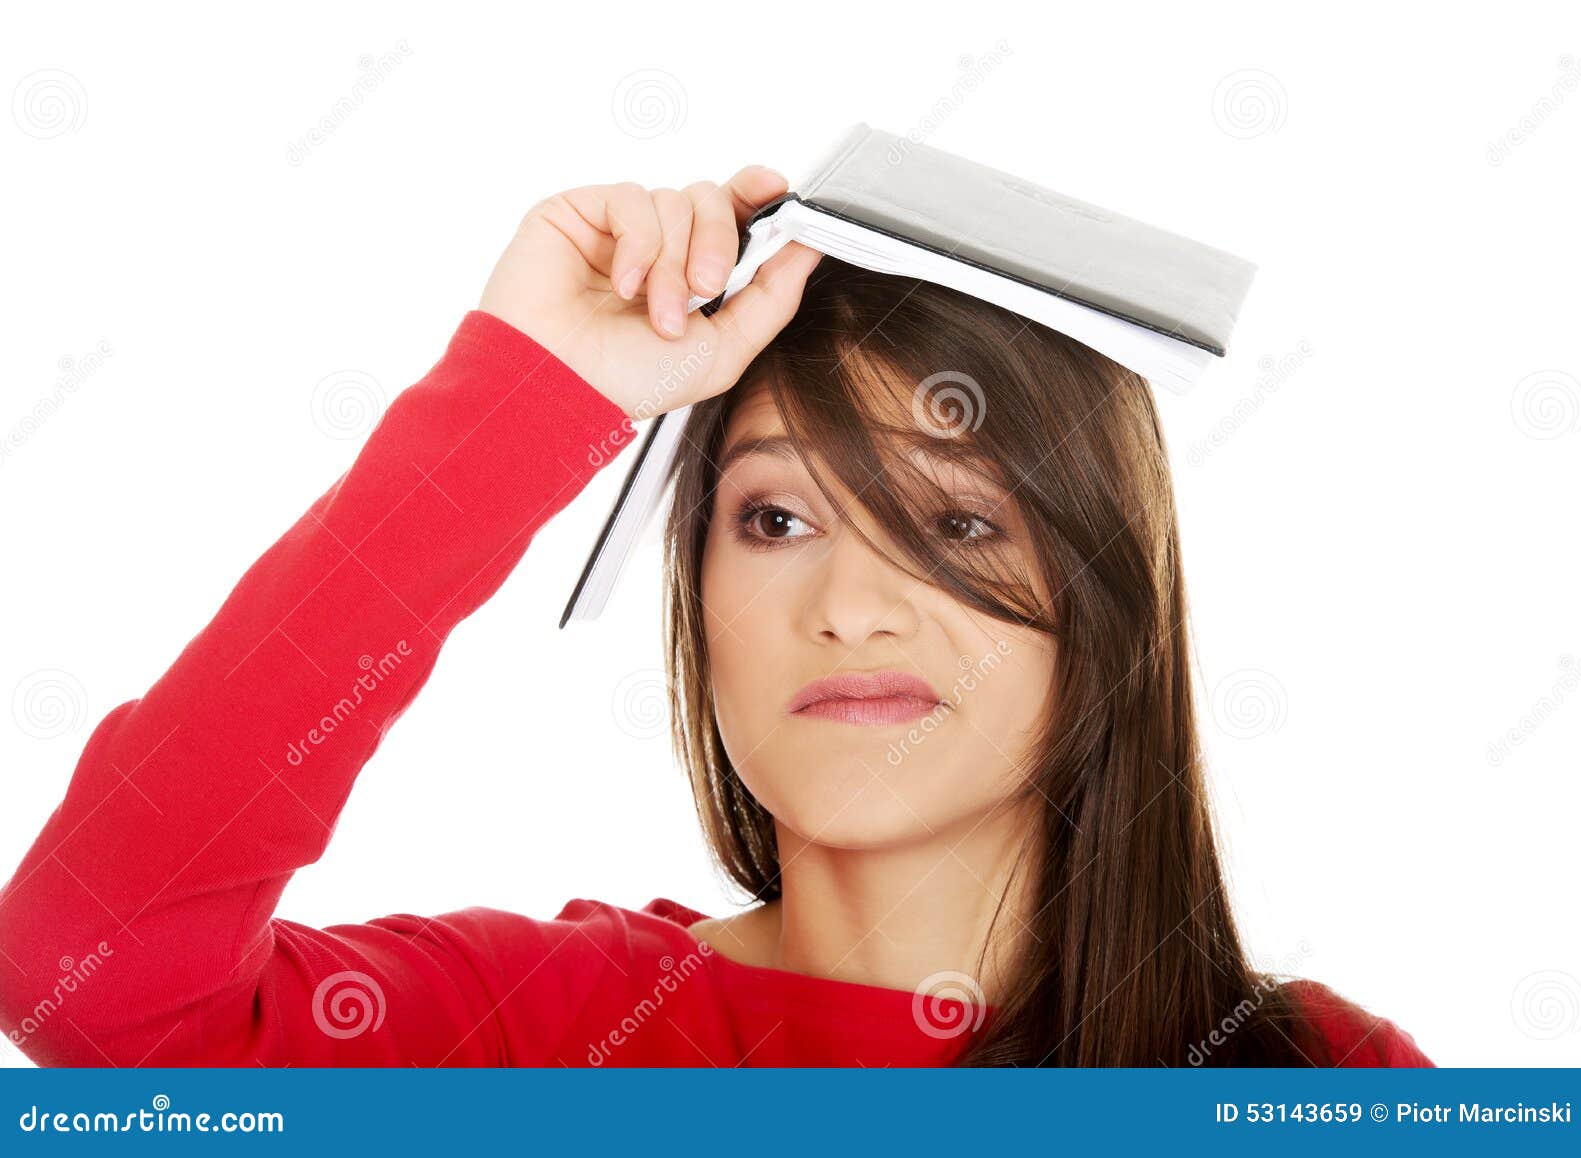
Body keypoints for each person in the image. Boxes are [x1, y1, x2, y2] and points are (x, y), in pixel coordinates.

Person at [0, 165, 1431, 1067]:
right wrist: (523, 396)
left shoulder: (1317, 1078)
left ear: (1106, 603)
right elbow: (89, 974)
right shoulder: (539, 1038)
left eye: (959, 523)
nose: (853, 606)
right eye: (777, 519)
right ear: (694, 595)